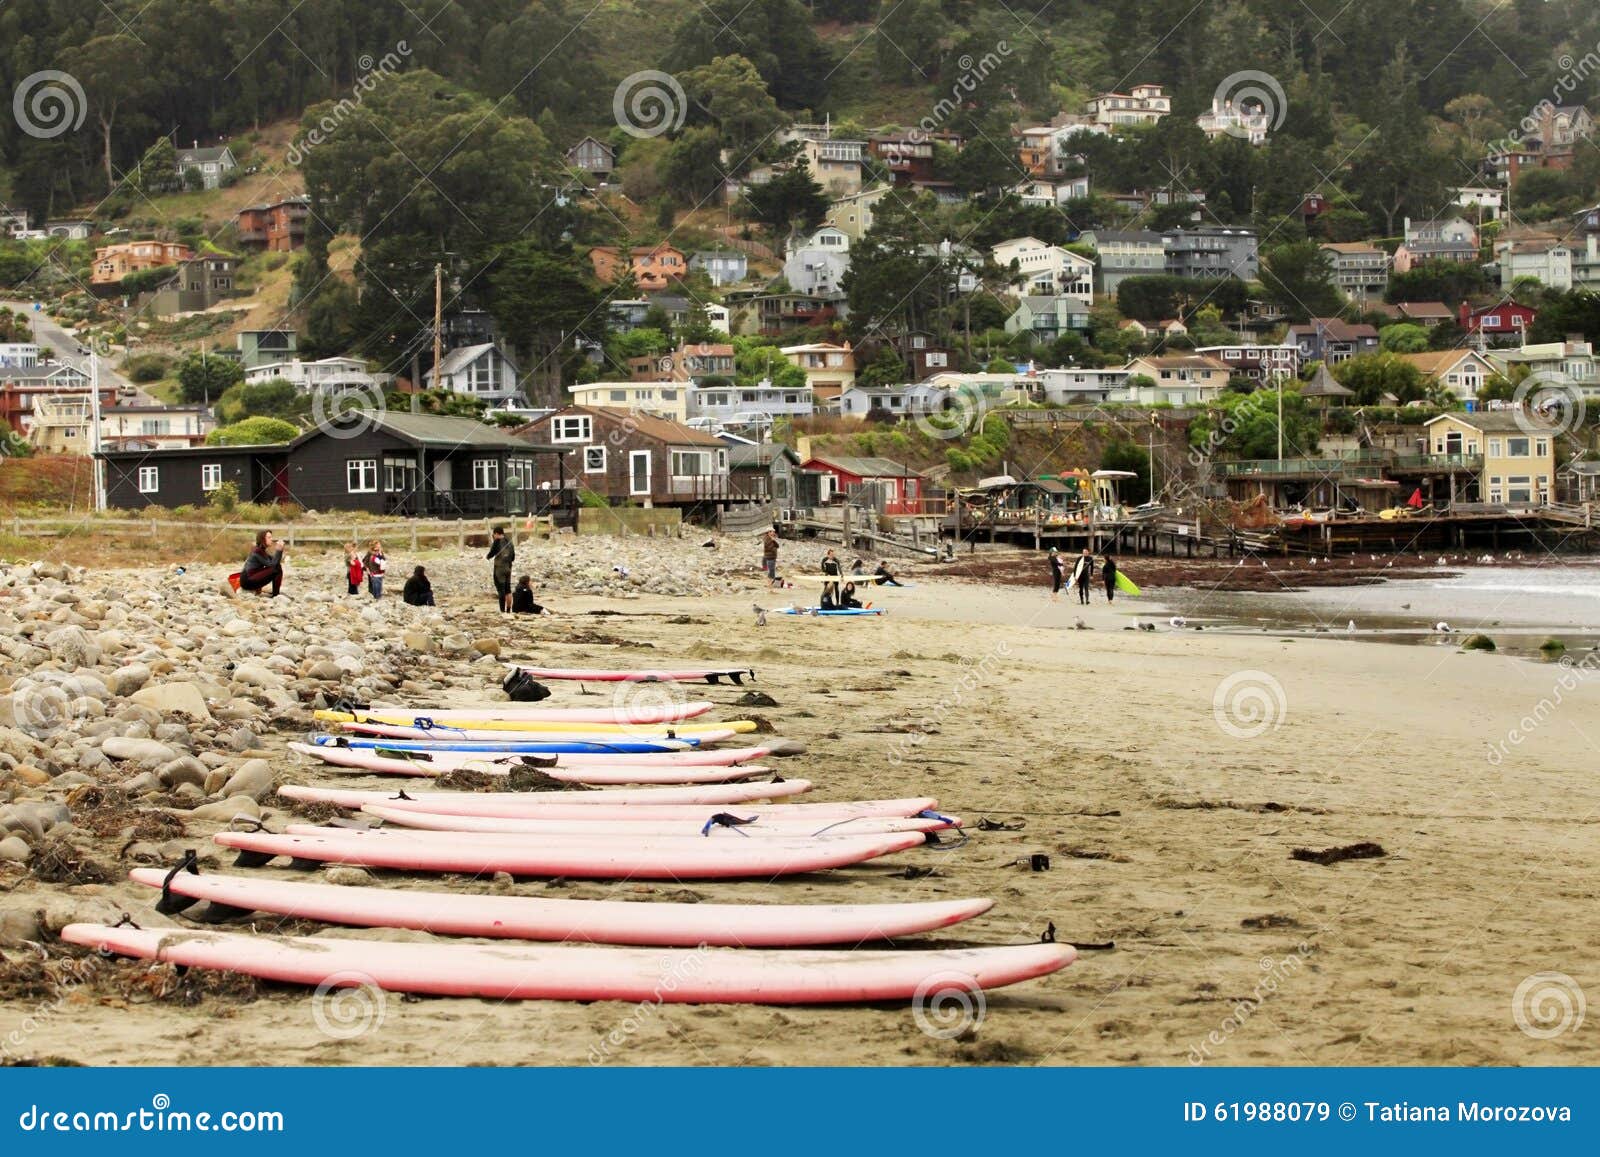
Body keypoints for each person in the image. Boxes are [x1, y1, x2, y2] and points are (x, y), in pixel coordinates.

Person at [240, 530, 285, 597]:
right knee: (276, 568)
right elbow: (273, 565)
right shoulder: (257, 551)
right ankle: (276, 594)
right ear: (262, 539)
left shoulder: (261, 550)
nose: (272, 539)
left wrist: (280, 551)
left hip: (251, 578)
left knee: (277, 567)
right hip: (247, 581)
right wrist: (278, 550)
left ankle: (275, 594)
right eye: (269, 537)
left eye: (271, 537)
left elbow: (275, 561)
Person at [487, 526, 515, 612]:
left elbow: (491, 554)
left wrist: (487, 557)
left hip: (499, 569)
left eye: (493, 534)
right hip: (508, 568)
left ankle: (502, 611)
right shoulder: (509, 541)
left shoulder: (497, 541)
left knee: (501, 590)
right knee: (508, 590)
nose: (493, 536)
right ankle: (508, 610)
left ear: (496, 533)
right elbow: (513, 557)